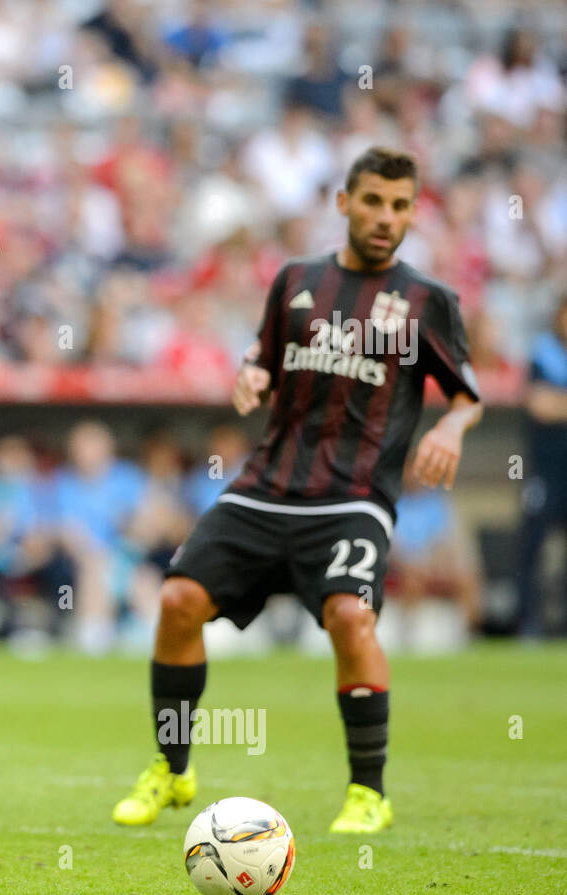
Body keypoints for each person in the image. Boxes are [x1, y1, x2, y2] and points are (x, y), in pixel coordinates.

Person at [111, 147, 482, 834]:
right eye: (373, 201)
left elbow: (467, 397)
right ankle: (172, 767)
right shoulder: (296, 281)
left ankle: (368, 790)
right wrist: (253, 374)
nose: (385, 217)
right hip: (268, 484)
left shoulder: (429, 301)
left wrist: (453, 428)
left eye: (400, 206)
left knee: (351, 616)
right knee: (178, 597)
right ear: (344, 203)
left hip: (355, 494)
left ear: (412, 213)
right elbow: (264, 355)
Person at [516, 294, 567, 637]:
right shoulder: (543, 353)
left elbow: (552, 404)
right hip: (543, 469)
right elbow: (538, 405)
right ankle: (527, 626)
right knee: (532, 545)